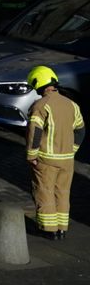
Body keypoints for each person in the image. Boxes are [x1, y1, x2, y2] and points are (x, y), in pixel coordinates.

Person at [26, 65, 84, 239]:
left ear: (38, 83)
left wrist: (31, 155)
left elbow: (35, 132)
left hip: (46, 158)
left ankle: (48, 229)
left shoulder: (41, 105)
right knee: (62, 192)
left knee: (44, 191)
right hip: (67, 159)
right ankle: (62, 229)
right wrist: (71, 150)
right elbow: (80, 130)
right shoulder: (72, 105)